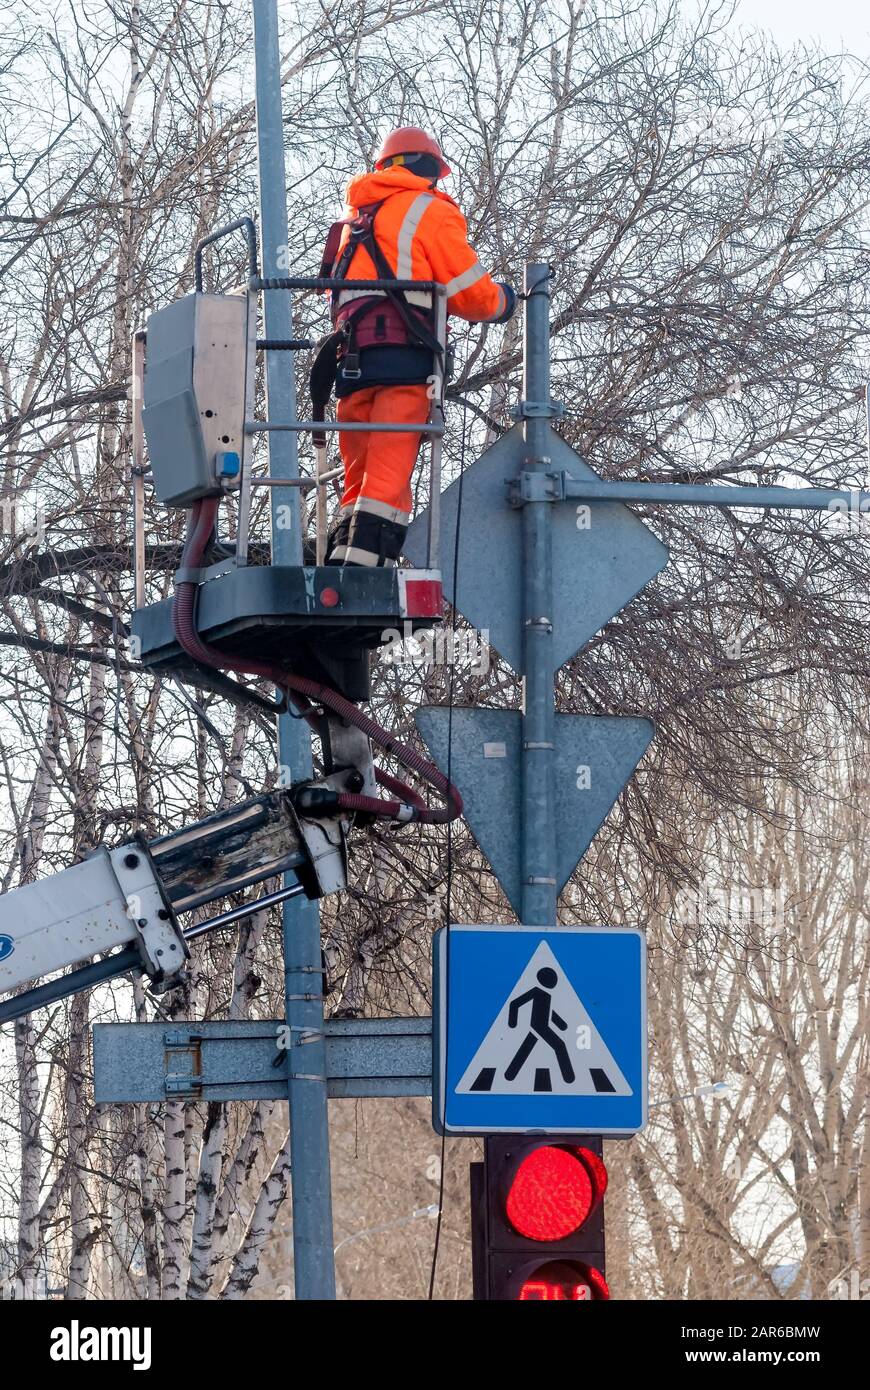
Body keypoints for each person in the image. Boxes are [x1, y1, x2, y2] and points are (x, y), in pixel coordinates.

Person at [314, 125, 516, 567]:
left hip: (350, 370)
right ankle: (365, 573)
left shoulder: (351, 225)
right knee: (387, 474)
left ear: (384, 167)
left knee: (359, 475)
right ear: (430, 171)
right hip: (402, 366)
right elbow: (471, 295)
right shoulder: (428, 211)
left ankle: (342, 561)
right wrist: (507, 302)